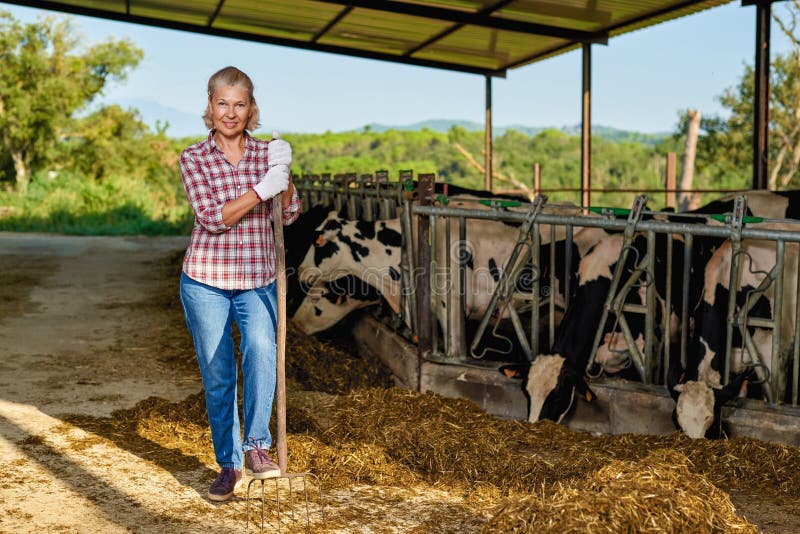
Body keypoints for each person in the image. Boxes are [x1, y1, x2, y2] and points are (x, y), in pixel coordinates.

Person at [178, 66, 300, 502]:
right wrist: (262, 188)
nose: (231, 112)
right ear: (210, 107)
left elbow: (287, 216)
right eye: (222, 103)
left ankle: (258, 448)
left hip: (258, 279)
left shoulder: (268, 154)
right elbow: (213, 219)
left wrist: (284, 178)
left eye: (240, 104)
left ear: (252, 109)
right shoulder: (194, 158)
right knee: (219, 374)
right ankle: (228, 464)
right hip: (206, 281)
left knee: (264, 355)